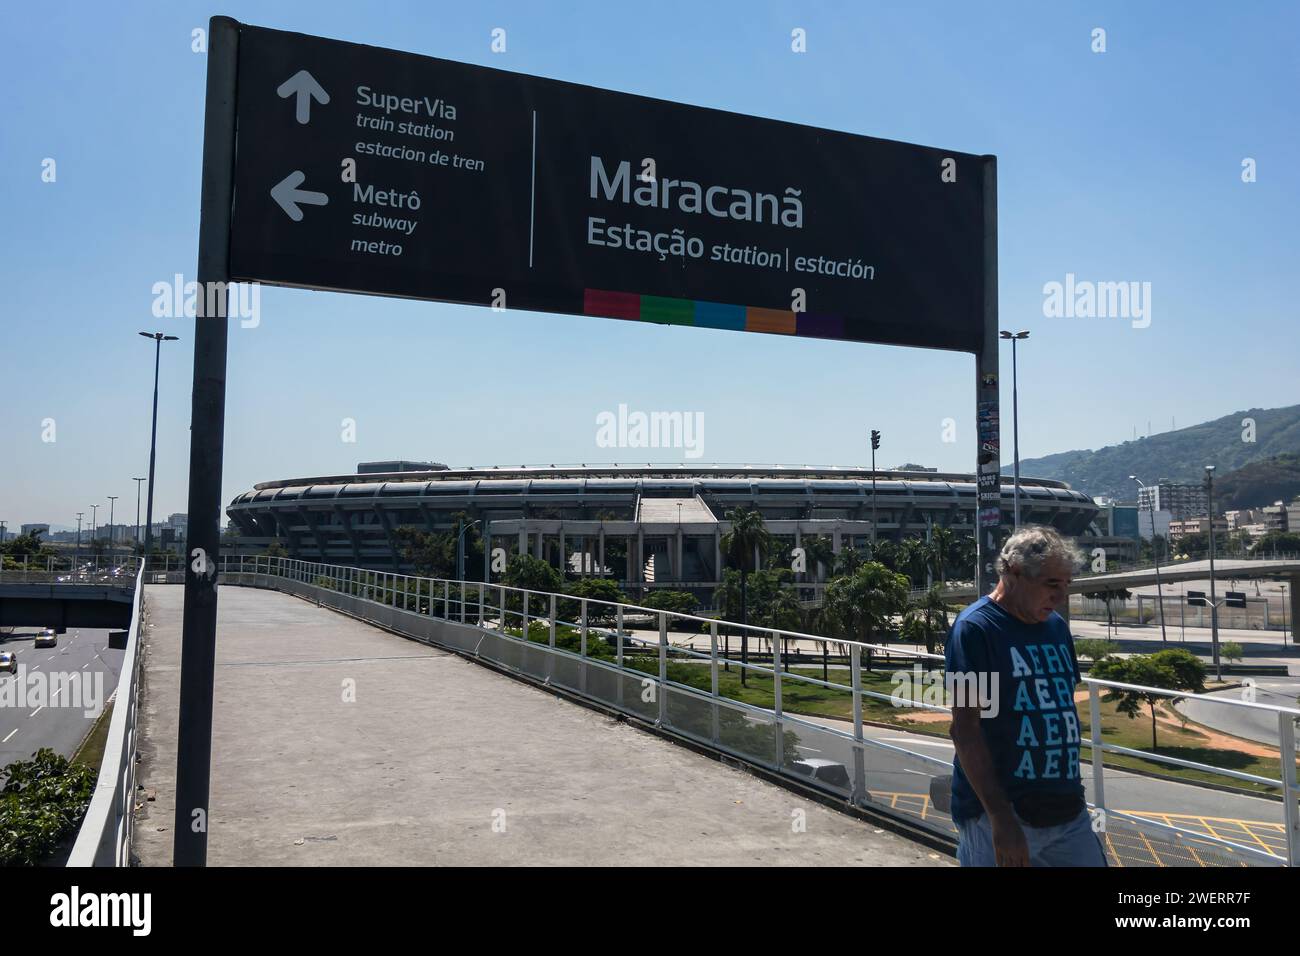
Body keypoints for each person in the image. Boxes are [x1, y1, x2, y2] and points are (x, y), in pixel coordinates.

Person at [943, 525, 1107, 866]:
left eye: (1066, 585)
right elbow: (965, 730)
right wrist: (1001, 819)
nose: (1060, 597)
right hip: (1003, 814)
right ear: (1013, 573)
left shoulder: (1055, 628)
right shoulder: (977, 630)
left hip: (1067, 811)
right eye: (1051, 584)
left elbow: (1059, 703)